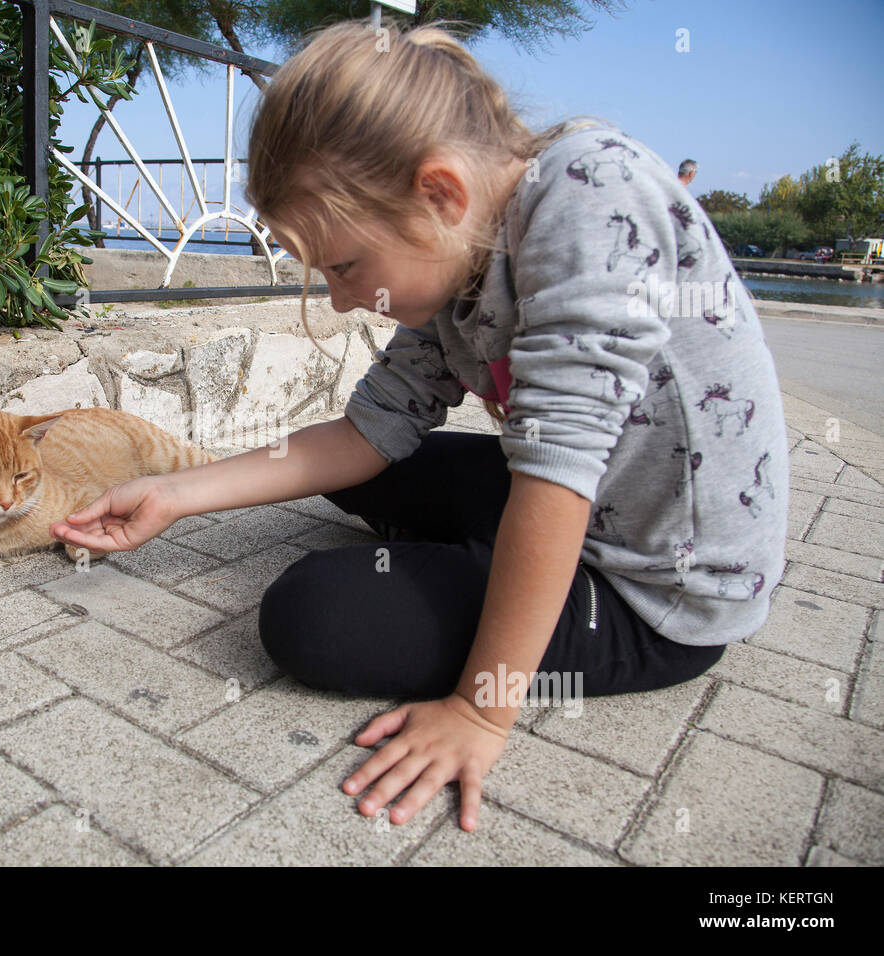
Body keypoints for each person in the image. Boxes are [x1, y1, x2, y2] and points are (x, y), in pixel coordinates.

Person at [49, 17, 789, 834]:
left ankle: (497, 592)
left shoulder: (590, 199)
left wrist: (479, 711)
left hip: (658, 592)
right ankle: (473, 572)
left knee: (311, 618)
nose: (336, 299)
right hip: (587, 498)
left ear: (438, 193)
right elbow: (367, 432)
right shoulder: (460, 246)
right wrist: (177, 494)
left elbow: (558, 476)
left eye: (344, 267)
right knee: (381, 468)